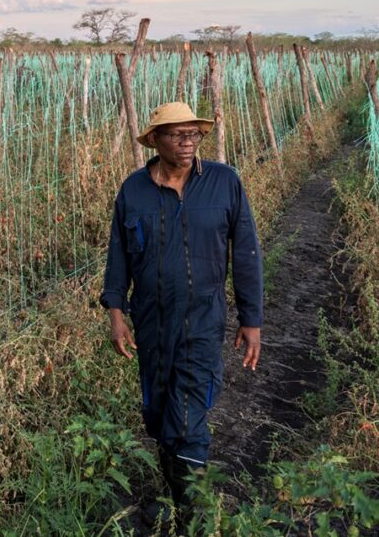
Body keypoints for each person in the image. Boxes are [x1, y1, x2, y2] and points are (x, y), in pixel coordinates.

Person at [99, 102, 263, 530]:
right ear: (154, 140)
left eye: (194, 134)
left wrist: (251, 320)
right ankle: (178, 493)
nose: (188, 142)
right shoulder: (133, 191)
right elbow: (118, 256)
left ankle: (195, 517)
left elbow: (246, 252)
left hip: (203, 319)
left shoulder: (224, 183)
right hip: (151, 322)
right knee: (158, 412)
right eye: (177, 134)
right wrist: (116, 312)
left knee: (187, 416)